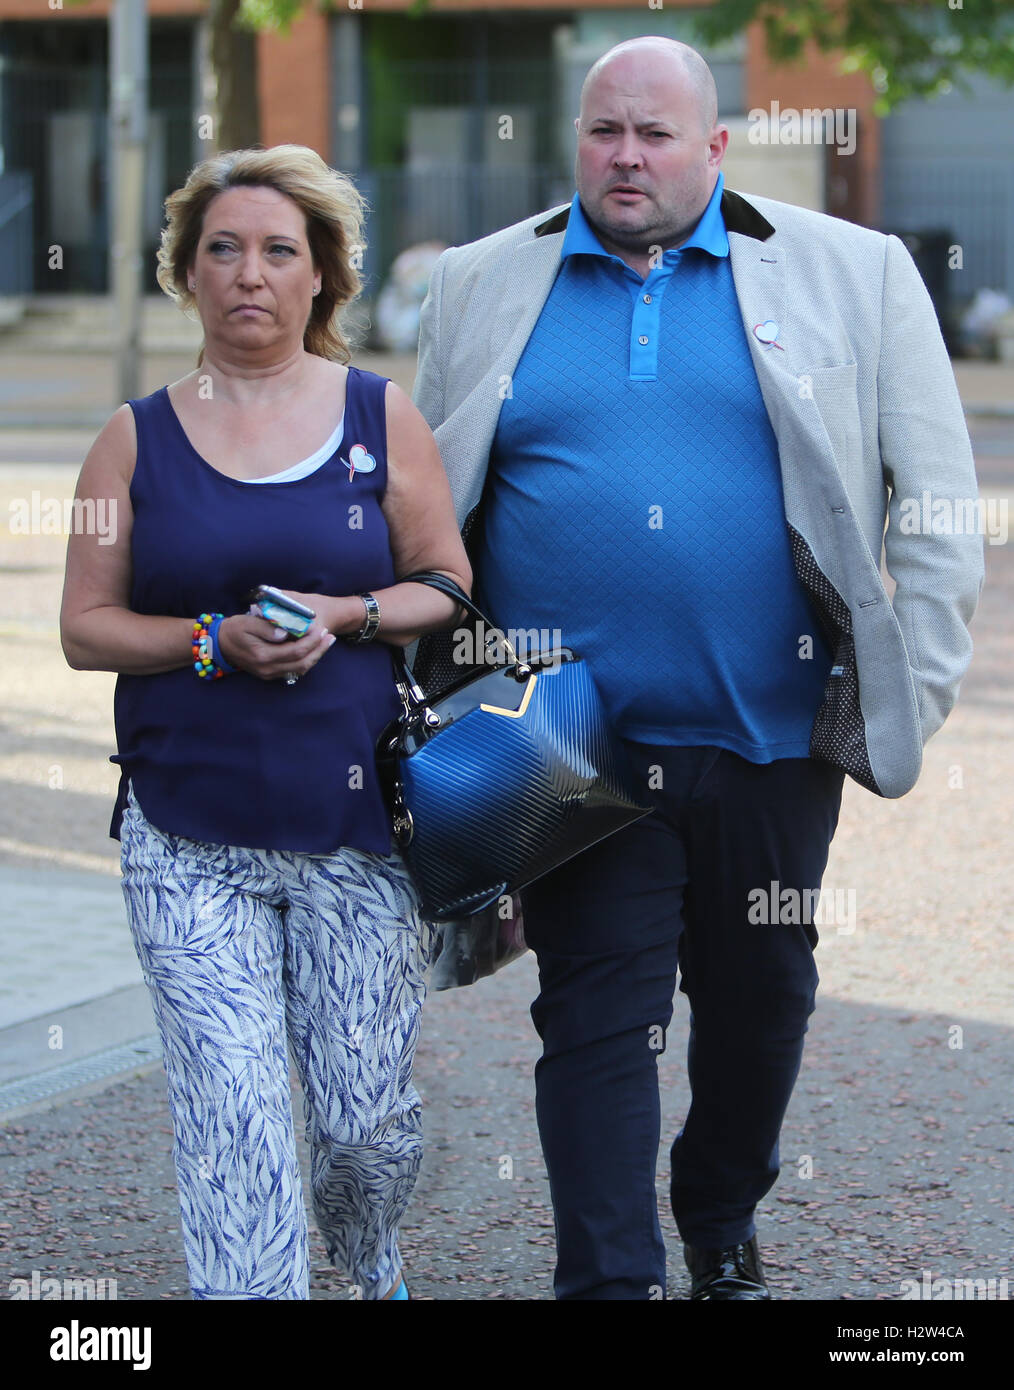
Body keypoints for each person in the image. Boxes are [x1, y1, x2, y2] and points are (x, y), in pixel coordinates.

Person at [412, 38, 984, 1299]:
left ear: (714, 148)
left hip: (771, 738)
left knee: (761, 1001)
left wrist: (915, 691)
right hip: (567, 748)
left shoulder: (857, 274)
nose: (626, 156)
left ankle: (720, 1206)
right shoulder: (479, 283)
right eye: (604, 131)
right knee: (595, 1023)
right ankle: (612, 1281)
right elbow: (428, 517)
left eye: (656, 135)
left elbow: (938, 504)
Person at [60, 144, 471, 1301]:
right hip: (188, 833)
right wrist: (209, 638)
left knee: (365, 1123)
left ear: (323, 277)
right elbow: (86, 626)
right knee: (235, 1110)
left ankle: (372, 1257)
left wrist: (347, 611)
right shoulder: (130, 438)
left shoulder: (380, 418)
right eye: (223, 249)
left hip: (360, 834)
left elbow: (445, 584)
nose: (250, 272)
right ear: (186, 274)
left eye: (279, 251)